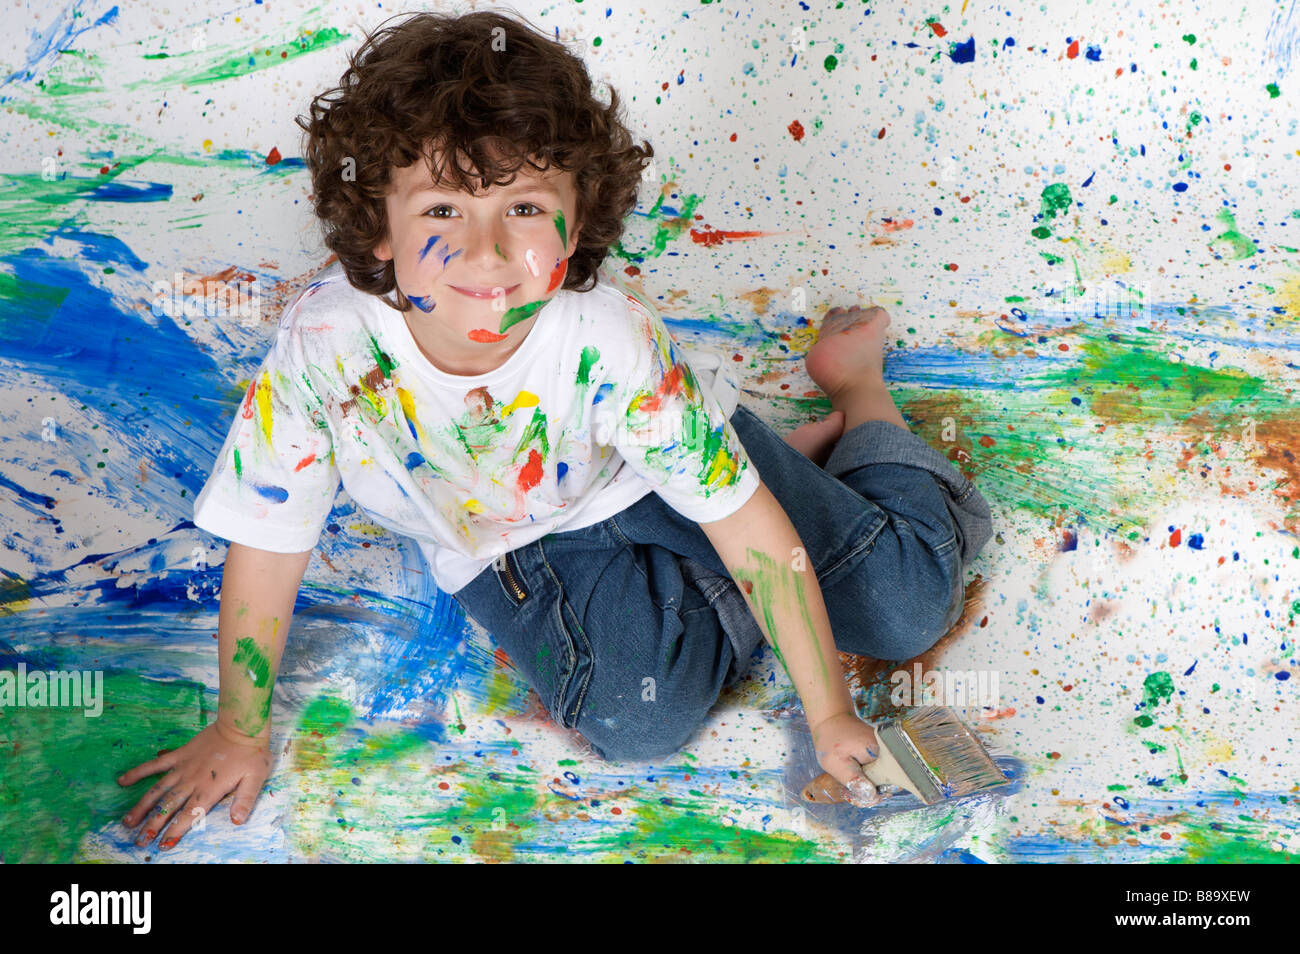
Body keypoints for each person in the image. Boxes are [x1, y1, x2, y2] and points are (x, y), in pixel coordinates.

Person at [117, 9, 993, 851]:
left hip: (651, 464)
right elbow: (269, 545)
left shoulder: (609, 343)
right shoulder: (324, 351)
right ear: (378, 228)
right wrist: (239, 731)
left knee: (908, 606)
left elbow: (750, 529)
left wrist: (829, 711)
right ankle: (748, 542)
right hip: (517, 540)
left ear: (579, 223)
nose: (488, 253)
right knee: (640, 721)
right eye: (441, 212)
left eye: (525, 209)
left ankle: (858, 395)